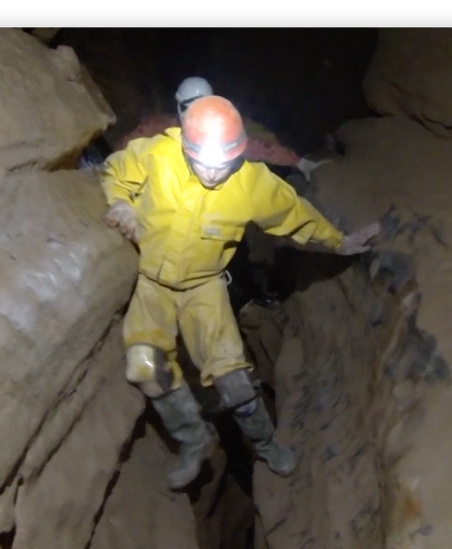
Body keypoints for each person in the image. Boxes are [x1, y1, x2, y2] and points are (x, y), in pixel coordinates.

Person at [100, 94, 379, 490]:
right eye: (204, 164)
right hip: (152, 283)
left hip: (204, 287)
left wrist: (339, 241)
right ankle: (193, 439)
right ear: (186, 147)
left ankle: (266, 444)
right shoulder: (157, 154)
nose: (213, 174)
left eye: (223, 165)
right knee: (146, 364)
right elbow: (116, 169)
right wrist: (121, 203)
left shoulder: (250, 184)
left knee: (233, 380)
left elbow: (294, 214)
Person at [115, 77, 329, 181]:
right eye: (189, 106)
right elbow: (125, 146)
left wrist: (299, 162)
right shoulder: (158, 126)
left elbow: (258, 146)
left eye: (201, 103)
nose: (195, 111)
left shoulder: (221, 130)